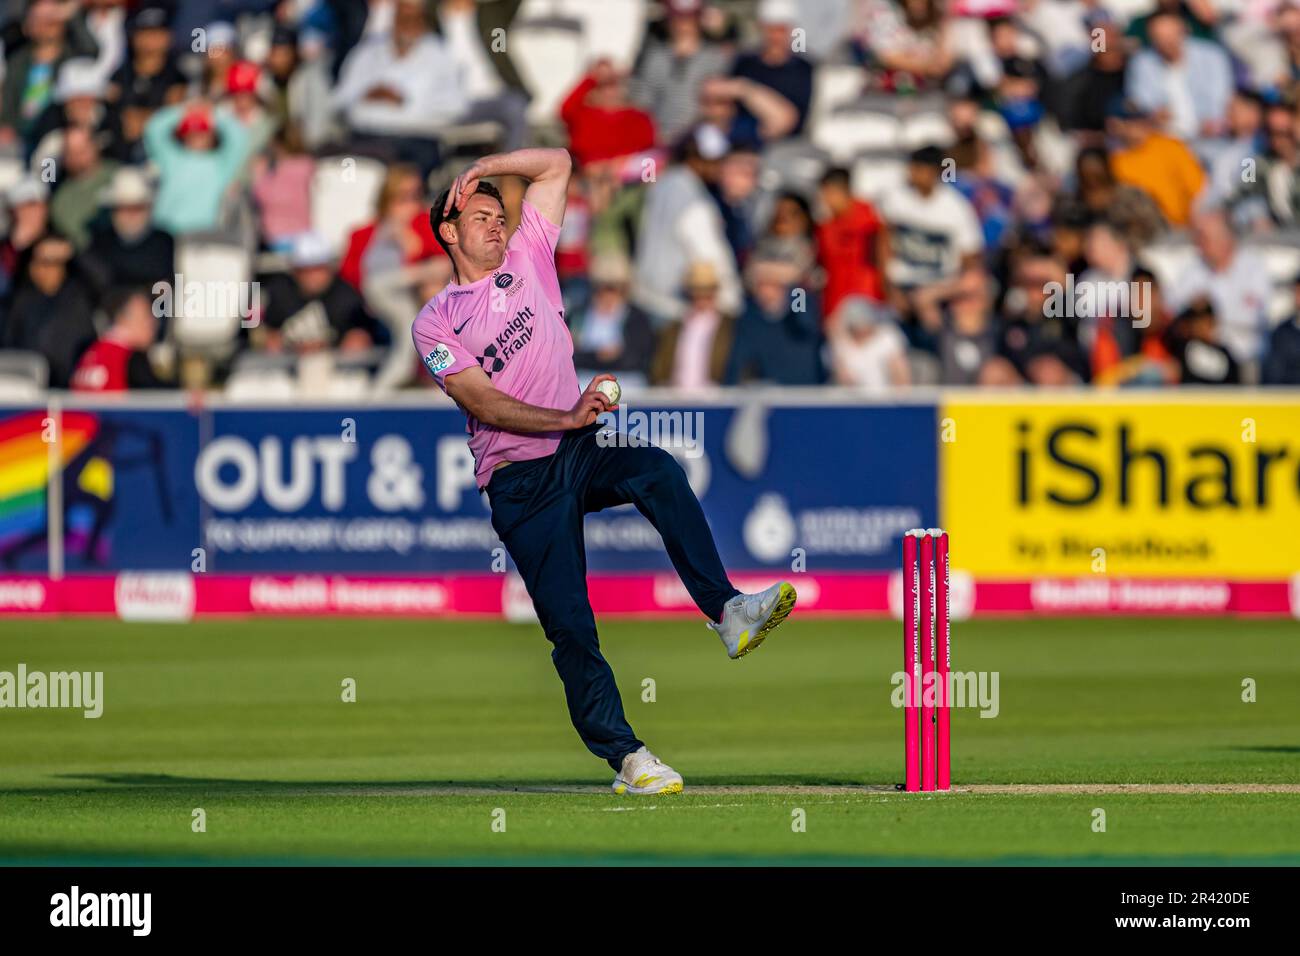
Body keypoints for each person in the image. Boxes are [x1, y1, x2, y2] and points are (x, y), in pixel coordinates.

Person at [412, 147, 797, 795]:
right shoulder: (437, 321)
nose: (496, 223)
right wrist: (564, 419)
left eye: (499, 212)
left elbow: (557, 162)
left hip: (575, 449)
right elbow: (481, 401)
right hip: (518, 482)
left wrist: (486, 163)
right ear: (449, 232)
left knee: (657, 471)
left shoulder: (529, 256)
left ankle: (726, 610)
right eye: (480, 216)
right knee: (572, 628)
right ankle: (627, 758)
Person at [71, 287, 170, 391]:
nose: (154, 323)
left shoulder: (88, 354)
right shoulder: (131, 360)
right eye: (146, 316)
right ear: (123, 319)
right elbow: (160, 397)